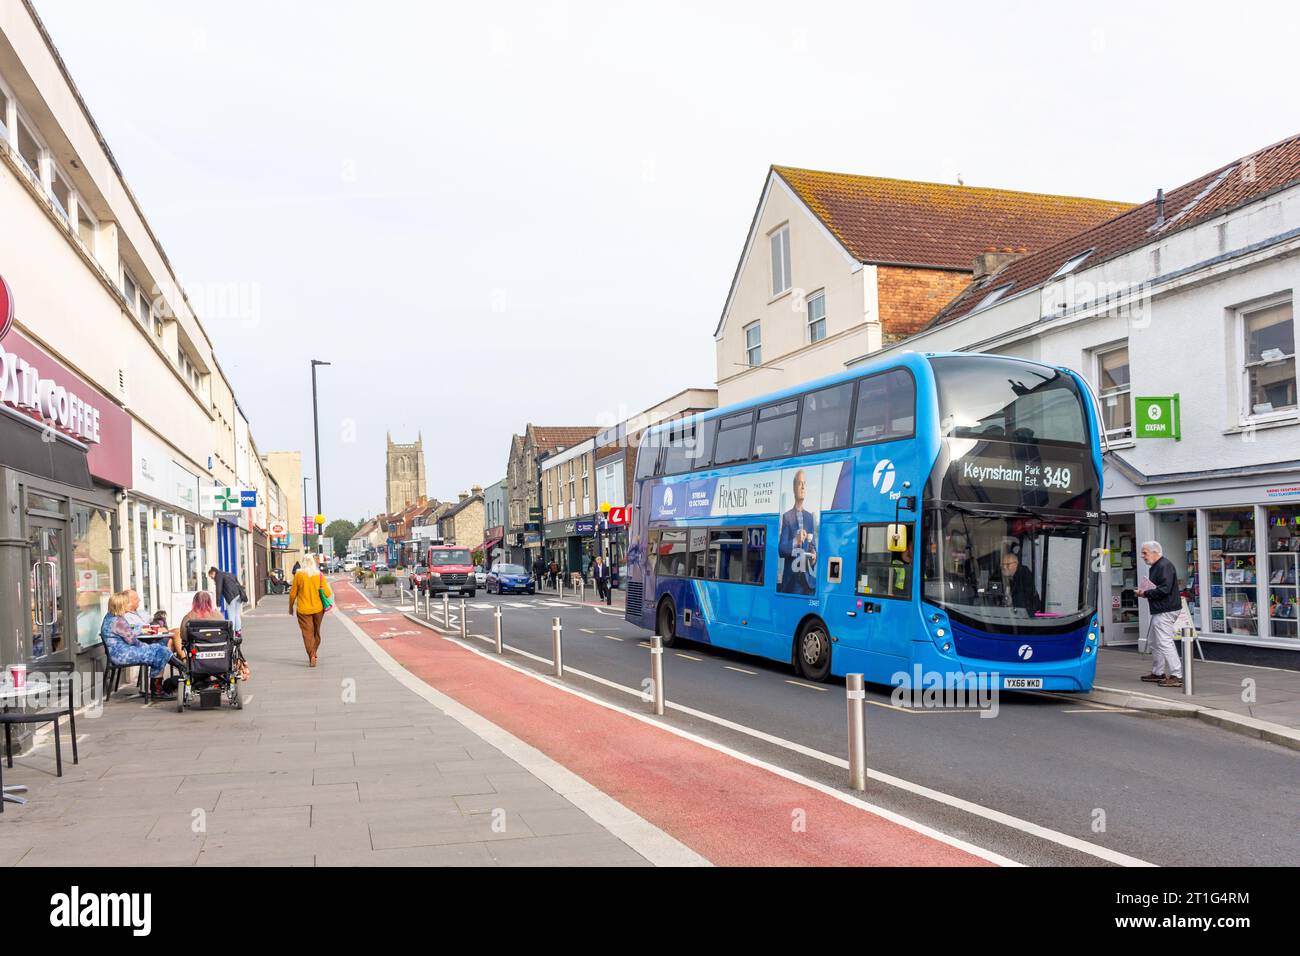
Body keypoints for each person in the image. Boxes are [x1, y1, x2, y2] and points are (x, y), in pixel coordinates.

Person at [101, 590, 180, 700]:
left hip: (120, 652)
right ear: (120, 605)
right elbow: (132, 640)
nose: (128, 604)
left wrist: (142, 634)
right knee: (159, 650)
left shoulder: (110, 617)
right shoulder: (118, 621)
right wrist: (146, 646)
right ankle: (181, 672)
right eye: (126, 602)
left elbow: (129, 631)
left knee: (159, 650)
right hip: (123, 655)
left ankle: (158, 689)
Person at [1136, 540, 1183, 687]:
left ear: (1155, 552)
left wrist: (1146, 593)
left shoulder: (1164, 566)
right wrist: (1146, 593)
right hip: (1161, 609)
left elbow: (1165, 589)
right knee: (1154, 642)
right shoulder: (1158, 566)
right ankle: (1158, 672)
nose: (1142, 556)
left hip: (1166, 610)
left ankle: (1177, 675)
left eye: (1145, 553)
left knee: (1164, 642)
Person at [778, 469, 817, 595]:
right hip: (792, 582)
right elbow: (781, 550)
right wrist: (797, 540)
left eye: (805, 483)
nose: (803, 487)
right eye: (800, 483)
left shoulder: (810, 517)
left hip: (808, 582)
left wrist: (814, 554)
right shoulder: (787, 516)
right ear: (794, 487)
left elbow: (812, 546)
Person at [290, 554, 332, 667]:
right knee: (316, 632)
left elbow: (293, 593)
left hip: (303, 610)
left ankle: (312, 654)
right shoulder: (319, 575)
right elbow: (328, 593)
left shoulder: (299, 575)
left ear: (303, 563)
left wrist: (290, 607)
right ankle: (314, 651)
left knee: (307, 634)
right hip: (318, 609)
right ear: (313, 562)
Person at [208, 565, 245, 637]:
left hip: (231, 597)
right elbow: (237, 583)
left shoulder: (218, 576)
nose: (212, 579)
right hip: (238, 596)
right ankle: (238, 632)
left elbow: (218, 590)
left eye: (211, 577)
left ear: (213, 573)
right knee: (237, 615)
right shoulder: (228, 573)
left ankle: (231, 633)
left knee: (231, 616)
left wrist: (218, 605)